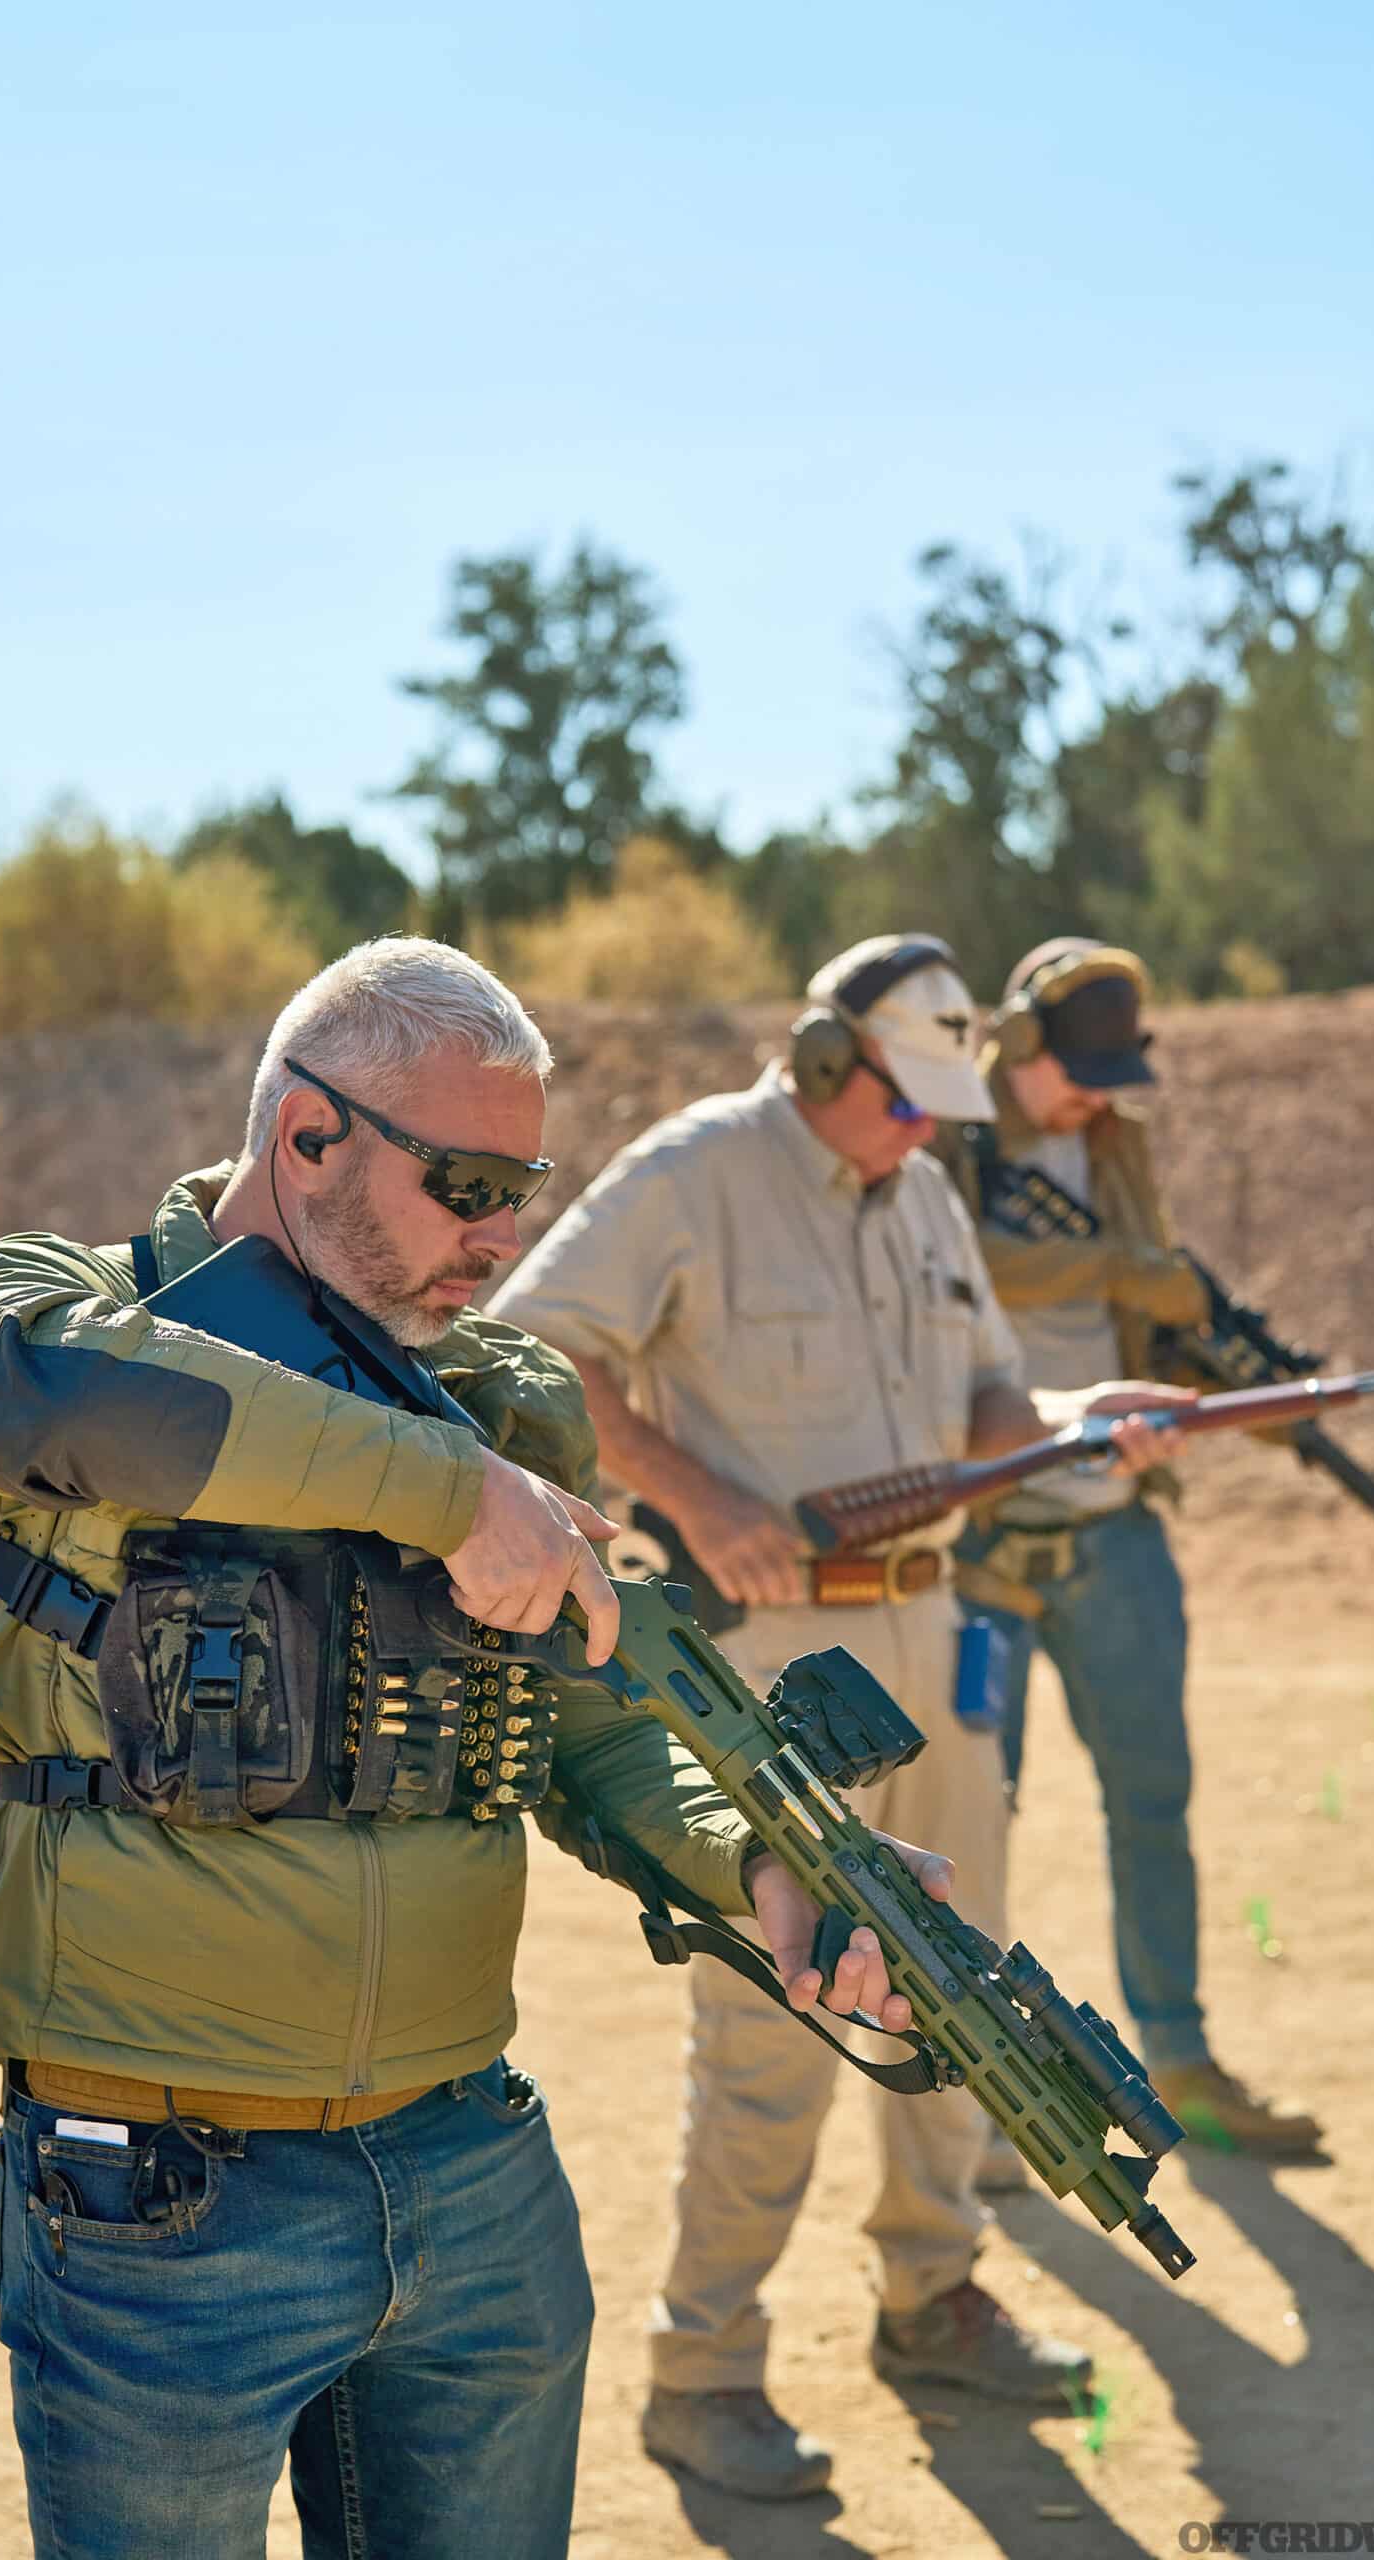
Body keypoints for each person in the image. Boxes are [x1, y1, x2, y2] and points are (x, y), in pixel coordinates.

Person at [0, 936, 950, 2560]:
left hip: (467, 2169)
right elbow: (35, 1399)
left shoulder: (508, 1404)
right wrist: (449, 1490)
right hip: (157, 2201)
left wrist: (761, 1864)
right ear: (305, 1138)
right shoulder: (57, 1313)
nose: (501, 1235)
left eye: (519, 1188)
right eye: (464, 1180)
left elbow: (601, 1731)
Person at [490, 932, 1192, 2502]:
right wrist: (690, 1492)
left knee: (974, 1976)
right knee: (777, 2016)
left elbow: (990, 1412)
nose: (928, 1128)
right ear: (820, 1063)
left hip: (939, 1641)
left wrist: (1093, 1432)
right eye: (901, 1097)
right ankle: (704, 2368)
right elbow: (530, 1346)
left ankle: (931, 2291)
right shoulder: (694, 1174)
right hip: (770, 1663)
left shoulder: (923, 1190)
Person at [937, 936, 1325, 2161]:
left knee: (1152, 1803)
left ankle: (1182, 2062)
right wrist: (1121, 1267)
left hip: (1116, 1537)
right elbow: (955, 1271)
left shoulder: (1116, 1148)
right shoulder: (946, 1142)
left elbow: (1155, 1308)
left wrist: (1193, 1398)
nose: (1097, 1094)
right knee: (969, 1829)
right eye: (1079, 1069)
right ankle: (979, 2102)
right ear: (1018, 1046)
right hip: (982, 1539)